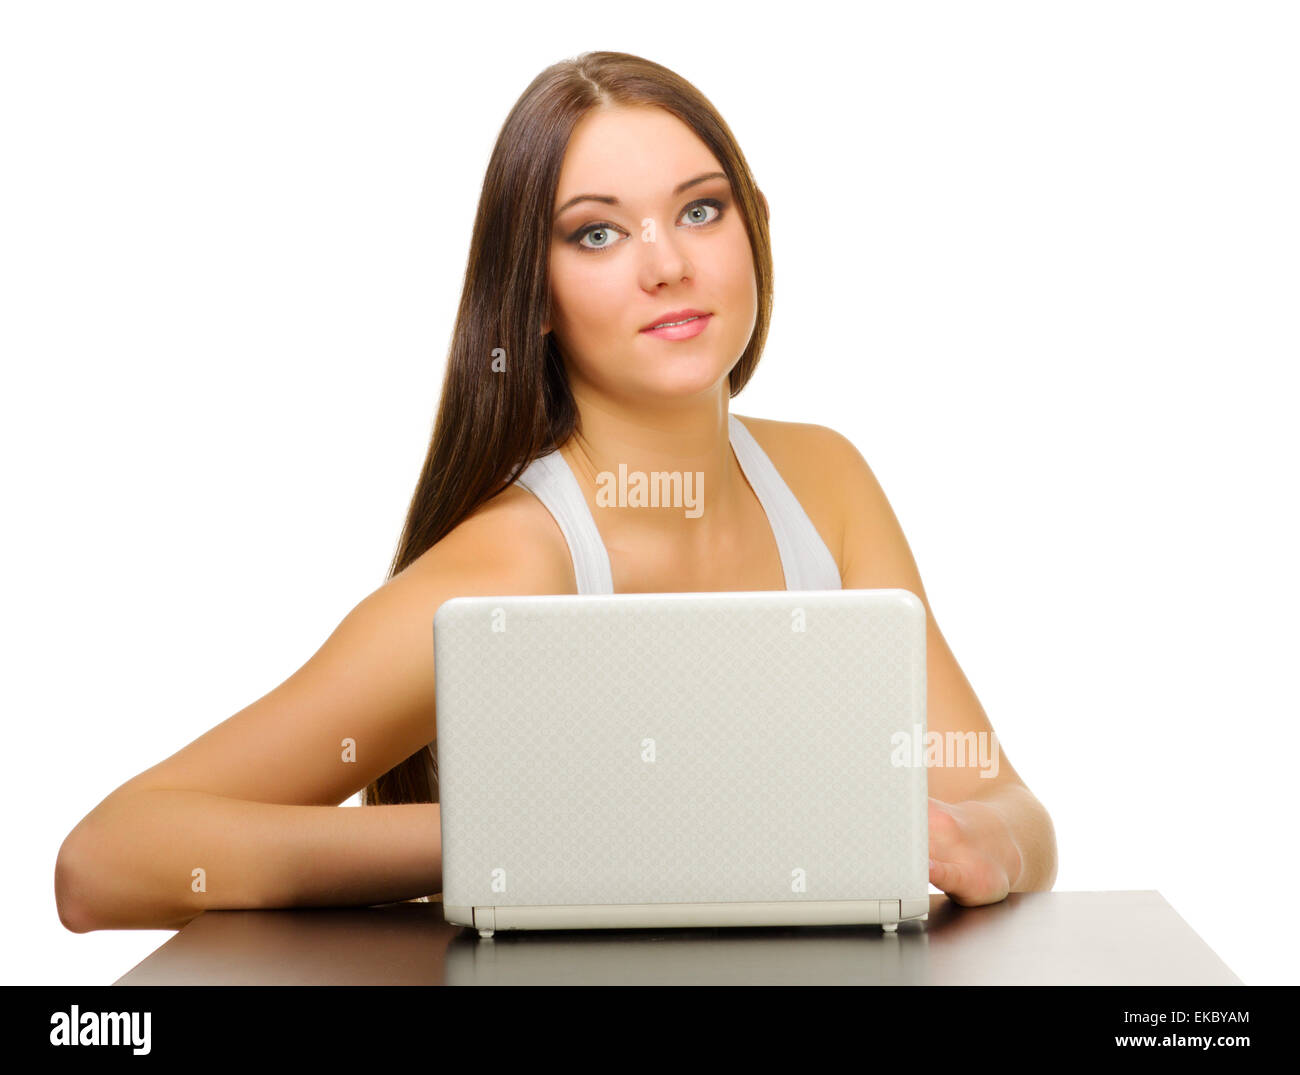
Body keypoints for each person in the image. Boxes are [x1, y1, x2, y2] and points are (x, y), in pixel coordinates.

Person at [55, 50, 1056, 933]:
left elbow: (1006, 805)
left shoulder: (825, 479)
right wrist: (519, 840)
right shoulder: (516, 560)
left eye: (700, 210)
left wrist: (976, 844)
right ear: (531, 297)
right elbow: (101, 864)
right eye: (597, 234)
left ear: (753, 228)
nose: (668, 264)